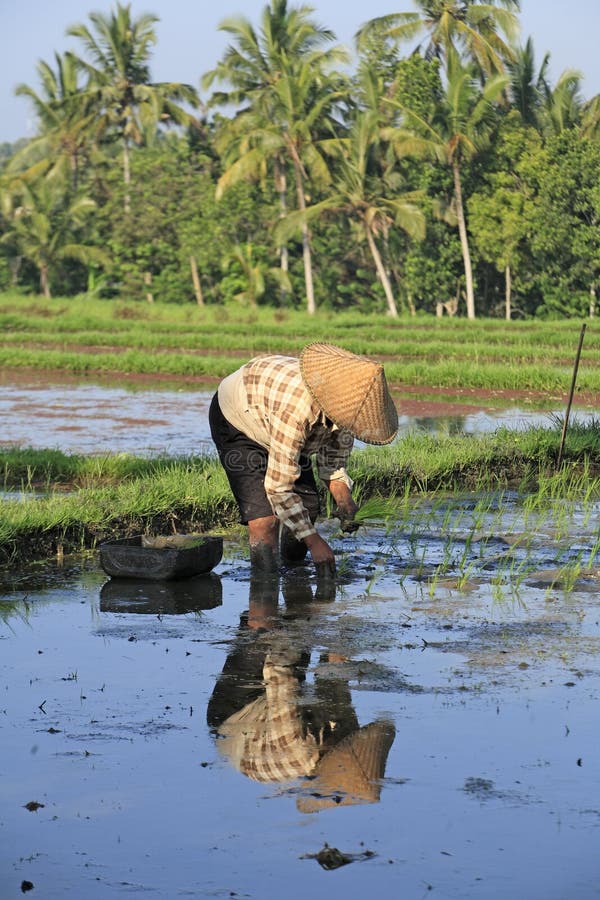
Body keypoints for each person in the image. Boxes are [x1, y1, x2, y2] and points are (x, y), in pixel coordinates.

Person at [209, 342, 398, 573]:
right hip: (239, 417)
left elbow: (332, 464)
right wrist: (315, 541)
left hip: (276, 418)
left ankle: (292, 569)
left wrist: (344, 501)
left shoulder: (349, 415)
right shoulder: (297, 412)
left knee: (308, 506)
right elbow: (278, 489)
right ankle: (264, 584)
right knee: (264, 519)